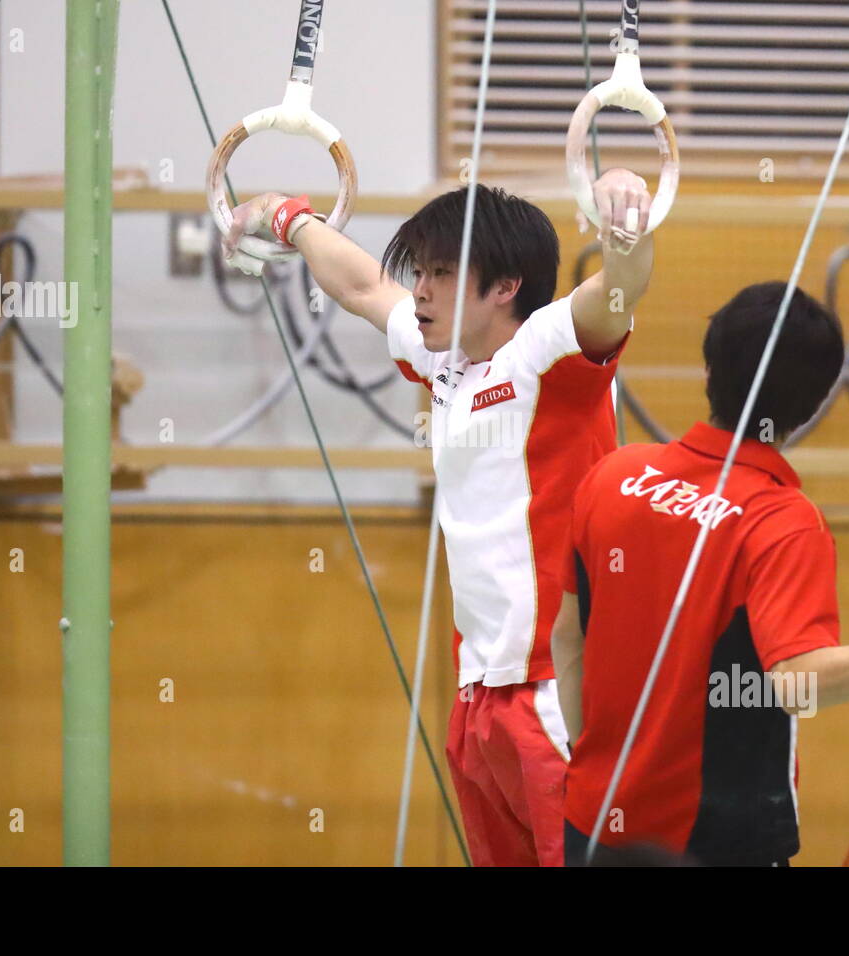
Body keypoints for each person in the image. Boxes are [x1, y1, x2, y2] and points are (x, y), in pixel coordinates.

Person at [222, 169, 655, 866]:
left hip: (556, 688)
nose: (420, 289)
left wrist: (628, 229)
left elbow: (618, 291)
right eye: (419, 271)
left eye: (442, 273)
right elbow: (365, 287)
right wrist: (288, 219)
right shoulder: (444, 362)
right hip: (480, 693)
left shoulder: (545, 351)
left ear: (506, 286)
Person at [551, 281, 849, 866]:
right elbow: (801, 680)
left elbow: (566, 639)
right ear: (814, 403)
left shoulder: (614, 476)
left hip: (591, 826)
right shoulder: (782, 523)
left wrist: (594, 768)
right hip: (714, 845)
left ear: (708, 368)